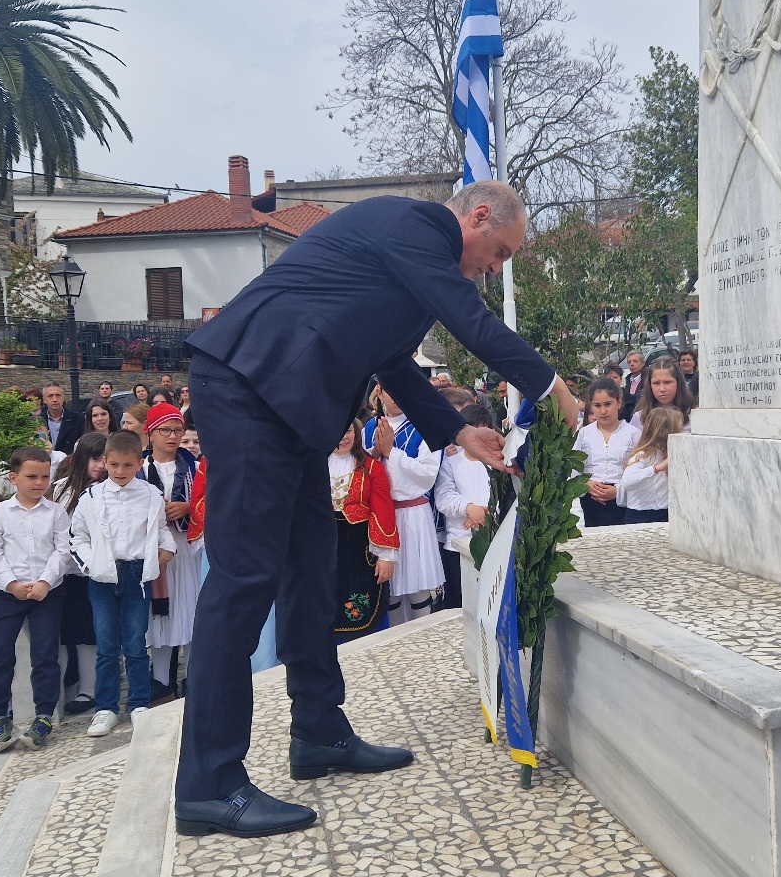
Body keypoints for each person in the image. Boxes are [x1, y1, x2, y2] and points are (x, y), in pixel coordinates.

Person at [175, 179, 575, 839]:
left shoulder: (412, 259)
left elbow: (394, 364)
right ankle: (209, 785)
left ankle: (319, 734)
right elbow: (472, 326)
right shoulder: (416, 228)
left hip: (290, 408)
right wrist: (551, 386)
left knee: (312, 572)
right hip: (248, 388)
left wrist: (456, 431)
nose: (494, 269)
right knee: (243, 582)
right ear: (476, 217)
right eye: (500, 252)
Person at [70, 429, 175, 737]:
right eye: (114, 465)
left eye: (127, 466)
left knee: (136, 643)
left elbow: (160, 530)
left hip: (137, 576)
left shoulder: (150, 495)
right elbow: (77, 537)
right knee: (106, 645)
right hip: (102, 579)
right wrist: (93, 564)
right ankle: (106, 708)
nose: (119, 472)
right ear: (105, 461)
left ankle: (139, 704)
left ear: (139, 463)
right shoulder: (91, 496)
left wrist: (168, 549)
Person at [0, 448, 69, 753]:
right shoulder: (0, 513)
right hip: (8, 594)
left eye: (45, 476)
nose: (39, 482)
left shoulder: (56, 512)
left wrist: (45, 581)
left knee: (45, 653)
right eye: (31, 476)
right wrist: (11, 583)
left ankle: (44, 713)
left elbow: (62, 551)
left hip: (48, 592)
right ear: (13, 477)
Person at [365, 386, 445, 626]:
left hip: (413, 513)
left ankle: (424, 638)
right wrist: (376, 451)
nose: (397, 396)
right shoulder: (369, 428)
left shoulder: (425, 426)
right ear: (379, 392)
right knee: (391, 589)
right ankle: (397, 638)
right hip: (381, 514)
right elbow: (361, 467)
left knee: (418, 585)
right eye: (390, 390)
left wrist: (391, 453)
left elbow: (427, 473)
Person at [142, 403, 200, 704]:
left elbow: (211, 497)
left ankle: (193, 676)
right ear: (149, 432)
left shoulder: (194, 466)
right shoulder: (138, 468)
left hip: (188, 548)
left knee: (191, 611)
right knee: (160, 616)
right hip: (154, 553)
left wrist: (188, 508)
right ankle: (161, 681)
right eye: (165, 430)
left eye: (178, 430)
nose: (173, 436)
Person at [51, 434, 106, 717]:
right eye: (95, 458)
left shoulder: (109, 489)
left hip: (94, 572)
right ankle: (57, 692)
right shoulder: (60, 489)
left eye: (104, 459)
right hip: (63, 572)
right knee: (62, 634)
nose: (100, 465)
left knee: (88, 632)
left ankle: (89, 690)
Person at [328, 420, 396, 638]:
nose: (343, 437)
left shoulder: (372, 468)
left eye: (347, 430)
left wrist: (387, 555)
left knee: (362, 604)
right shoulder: (313, 465)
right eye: (337, 431)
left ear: (356, 433)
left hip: (359, 549)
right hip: (322, 547)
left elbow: (383, 510)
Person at [433, 402, 495, 613]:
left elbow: (508, 496)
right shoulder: (451, 463)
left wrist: (486, 515)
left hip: (494, 541)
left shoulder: (499, 462)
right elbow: (444, 496)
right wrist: (468, 508)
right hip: (458, 543)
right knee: (459, 605)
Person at [573, 379, 635, 528]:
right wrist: (587, 484)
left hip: (622, 502)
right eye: (597, 406)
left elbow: (637, 471)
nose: (603, 411)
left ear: (619, 402)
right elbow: (573, 469)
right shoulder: (583, 434)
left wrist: (617, 491)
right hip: (591, 500)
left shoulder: (633, 434)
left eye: (608, 404)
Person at [618, 407, 679, 523]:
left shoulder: (672, 453)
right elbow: (626, 482)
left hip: (665, 512)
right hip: (640, 514)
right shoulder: (642, 455)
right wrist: (656, 469)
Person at [631, 354, 697, 432]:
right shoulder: (639, 418)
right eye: (656, 383)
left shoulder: (693, 416)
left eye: (667, 382)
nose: (662, 389)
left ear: (678, 383)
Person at [37, 385, 85, 458]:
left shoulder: (78, 419)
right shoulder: (38, 421)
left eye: (58, 395)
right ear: (44, 400)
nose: (54, 399)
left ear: (63, 398)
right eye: (50, 396)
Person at [620, 351, 646, 423]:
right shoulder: (628, 380)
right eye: (629, 362)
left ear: (643, 363)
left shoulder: (648, 379)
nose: (632, 364)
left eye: (635, 361)